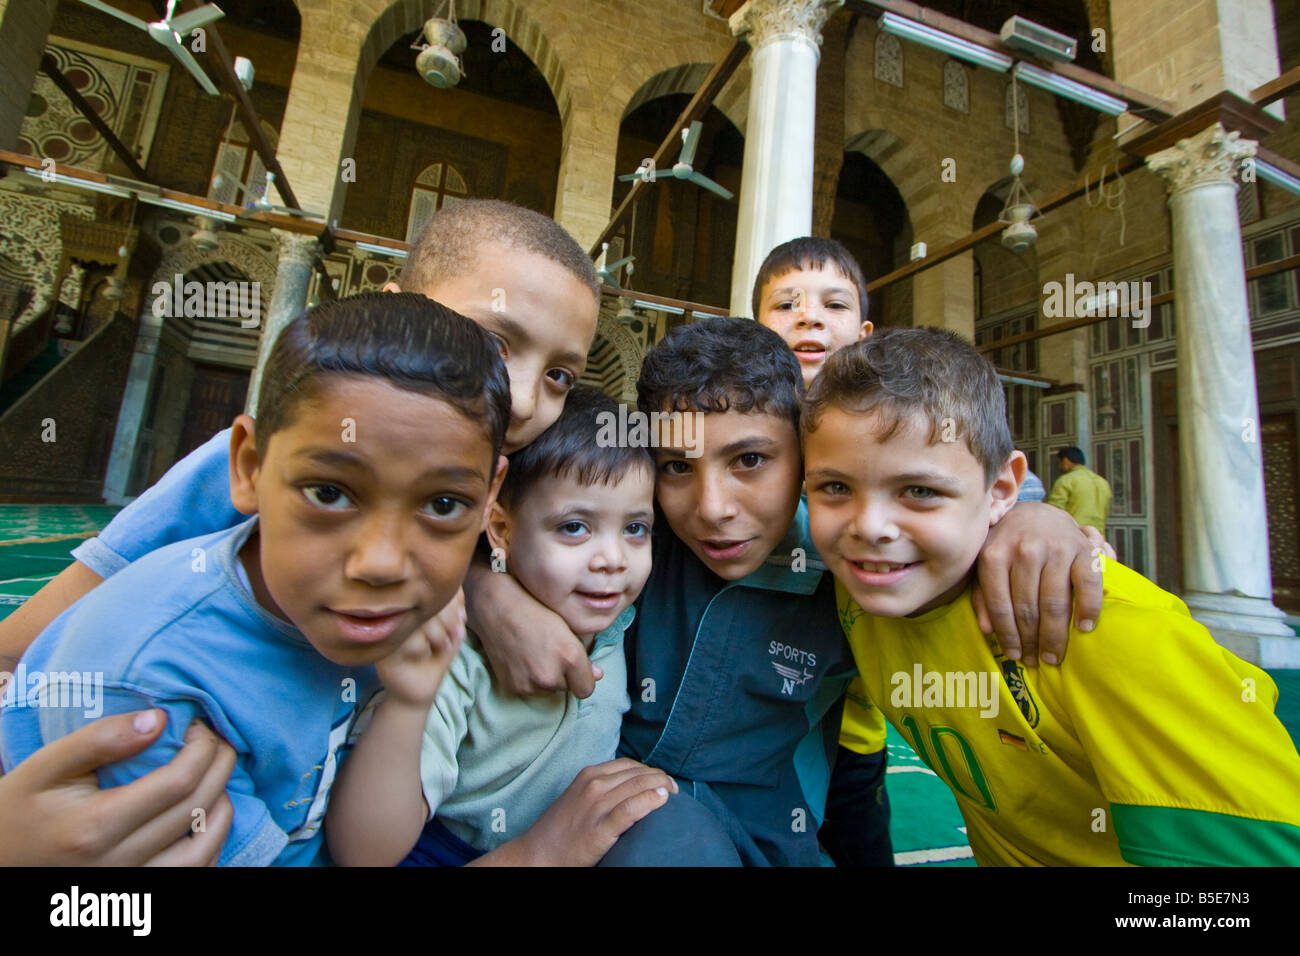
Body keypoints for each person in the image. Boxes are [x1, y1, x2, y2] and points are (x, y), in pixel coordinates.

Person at [0, 199, 605, 864]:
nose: (523, 398)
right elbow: (22, 656)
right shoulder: (248, 479)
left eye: (558, 376)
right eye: (493, 342)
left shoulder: (531, 487)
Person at [468, 317, 1110, 865]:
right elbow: (486, 515)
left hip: (757, 846)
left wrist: (1032, 516)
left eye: (750, 461)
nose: (713, 508)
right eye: (677, 468)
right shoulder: (633, 538)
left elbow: (952, 493)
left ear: (805, 458)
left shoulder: (857, 568)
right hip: (575, 829)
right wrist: (485, 590)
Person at [804, 327, 1300, 865]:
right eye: (835, 487)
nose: (870, 527)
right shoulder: (855, 590)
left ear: (1001, 491)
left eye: (920, 491)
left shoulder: (1103, 630)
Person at [326, 387, 673, 867]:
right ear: (501, 530)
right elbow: (363, 853)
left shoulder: (623, 628)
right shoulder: (456, 657)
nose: (613, 560)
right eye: (574, 527)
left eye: (635, 528)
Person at [752, 236, 872, 388]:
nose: (810, 316)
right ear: (754, 333)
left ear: (864, 337)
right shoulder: (723, 406)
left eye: (835, 305)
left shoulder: (891, 410)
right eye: (786, 305)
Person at [1046, 446, 1111, 535]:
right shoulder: (1102, 482)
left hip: (1075, 537)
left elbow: (1054, 511)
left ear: (1065, 461)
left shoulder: (1066, 480)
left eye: (1058, 463)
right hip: (1098, 537)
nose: (1059, 467)